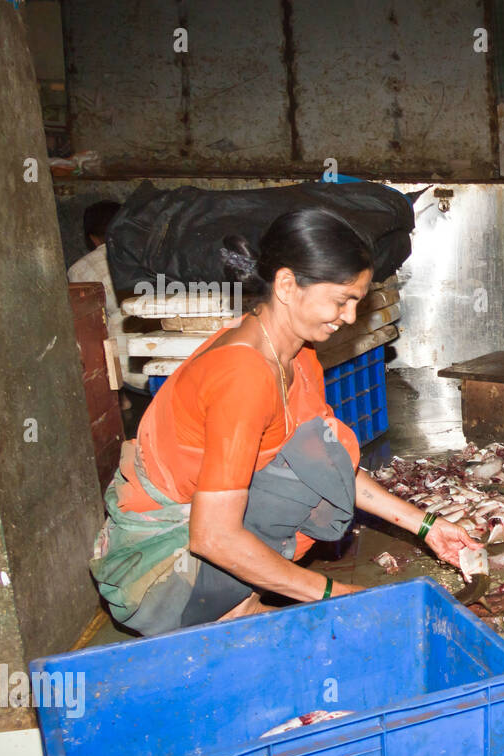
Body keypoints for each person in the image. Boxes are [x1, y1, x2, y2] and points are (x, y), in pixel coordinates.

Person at [89, 208, 479, 636]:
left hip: (191, 550)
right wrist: (334, 595)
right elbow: (213, 538)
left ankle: (239, 601)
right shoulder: (244, 374)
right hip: (157, 580)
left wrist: (428, 526)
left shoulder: (295, 353)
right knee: (306, 474)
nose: (349, 316)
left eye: (357, 302)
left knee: (325, 451)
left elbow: (337, 470)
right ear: (288, 285)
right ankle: (217, 610)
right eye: (341, 300)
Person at [67, 200, 148, 398]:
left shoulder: (79, 270)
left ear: (93, 238)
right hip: (176, 360)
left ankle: (121, 401)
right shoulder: (153, 254)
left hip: (127, 371)